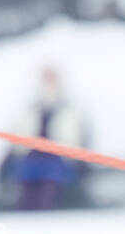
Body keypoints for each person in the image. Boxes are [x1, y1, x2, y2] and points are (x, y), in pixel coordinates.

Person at [7, 67, 91, 210]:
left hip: (56, 160)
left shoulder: (68, 108)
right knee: (25, 199)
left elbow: (76, 135)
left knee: (47, 197)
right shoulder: (32, 108)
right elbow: (19, 134)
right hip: (31, 158)